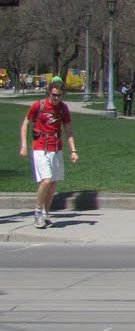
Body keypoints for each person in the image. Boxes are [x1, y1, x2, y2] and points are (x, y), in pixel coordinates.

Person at [19, 75, 77, 229]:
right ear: (49, 92)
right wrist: (24, 145)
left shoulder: (63, 108)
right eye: (54, 95)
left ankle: (46, 212)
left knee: (52, 184)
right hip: (40, 147)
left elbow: (68, 130)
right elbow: (25, 124)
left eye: (59, 95)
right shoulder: (38, 106)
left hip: (56, 147)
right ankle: (37, 212)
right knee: (46, 180)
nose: (56, 98)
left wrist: (73, 150)